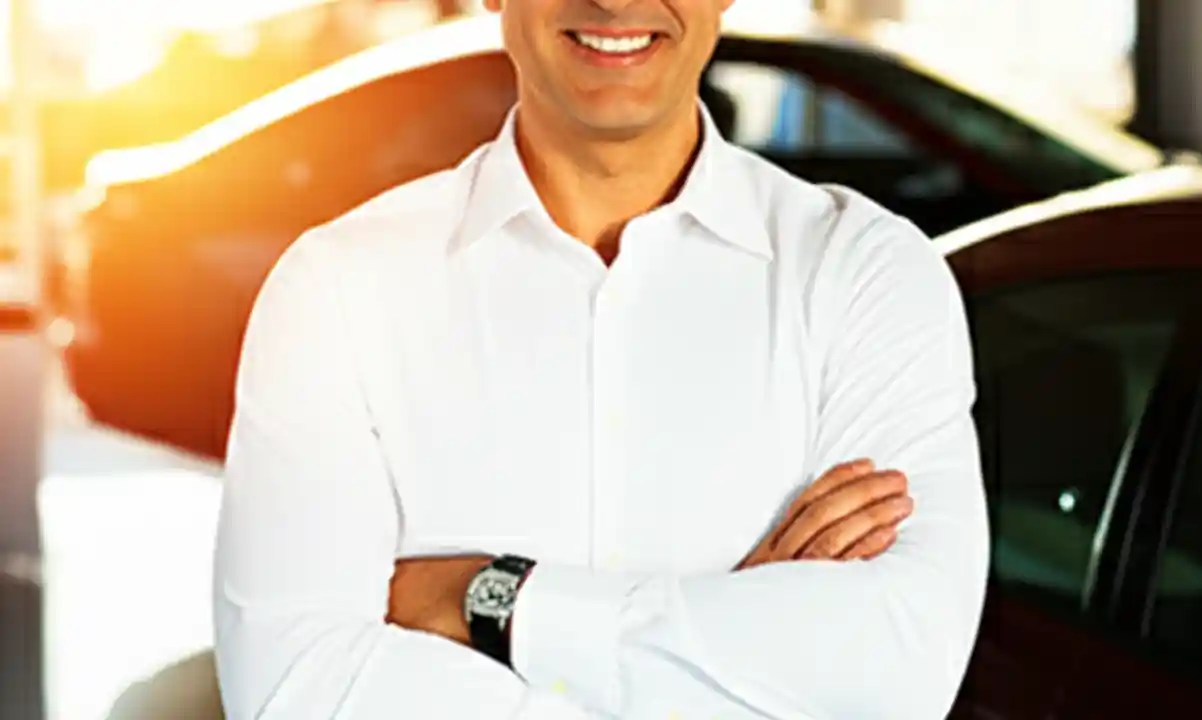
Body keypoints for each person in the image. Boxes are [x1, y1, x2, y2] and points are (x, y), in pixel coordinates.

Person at [212, 1, 990, 718]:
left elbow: (899, 670)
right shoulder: (340, 288)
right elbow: (299, 689)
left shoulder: (865, 273)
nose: (616, 3)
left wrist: (491, 600)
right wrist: (740, 653)